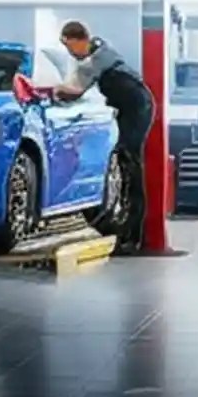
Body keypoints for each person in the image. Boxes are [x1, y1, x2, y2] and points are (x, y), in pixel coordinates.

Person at [55, 21, 155, 254]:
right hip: (132, 107)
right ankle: (127, 232)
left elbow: (75, 90)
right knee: (125, 164)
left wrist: (52, 91)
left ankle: (133, 237)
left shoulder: (98, 57)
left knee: (131, 167)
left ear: (79, 40)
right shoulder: (99, 48)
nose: (72, 54)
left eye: (71, 48)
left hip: (137, 107)